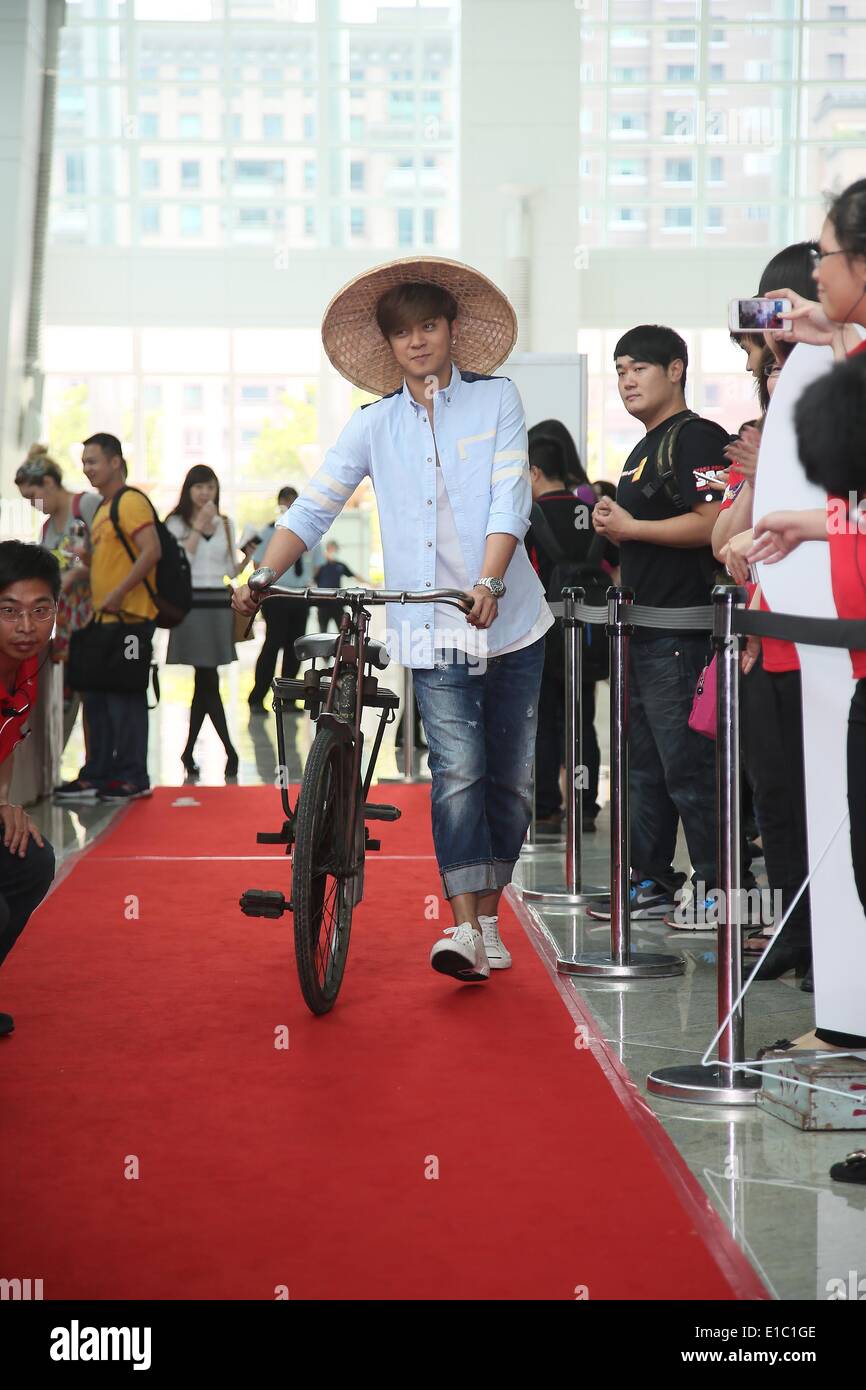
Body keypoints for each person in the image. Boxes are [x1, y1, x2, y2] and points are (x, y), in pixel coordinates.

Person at [234, 259, 550, 982]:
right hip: (430, 625)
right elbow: (316, 504)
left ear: (453, 331)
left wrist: (491, 578)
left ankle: (490, 913)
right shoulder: (372, 424)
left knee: (511, 783)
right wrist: (261, 575)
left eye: (429, 327)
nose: (417, 342)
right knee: (458, 772)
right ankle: (464, 928)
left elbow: (510, 498)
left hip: (511, 620)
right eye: (403, 333)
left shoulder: (497, 400)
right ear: (389, 344)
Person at [589, 324, 726, 926]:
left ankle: (721, 890)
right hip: (643, 630)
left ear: (676, 369)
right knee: (642, 767)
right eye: (620, 370)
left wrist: (633, 529)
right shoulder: (644, 447)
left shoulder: (698, 438)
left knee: (688, 769)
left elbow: (715, 523)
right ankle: (650, 881)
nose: (627, 381)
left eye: (639, 368)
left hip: (683, 635)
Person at [712, 243, 821, 982]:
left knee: (829, 805)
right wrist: (755, 479)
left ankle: (834, 950)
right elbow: (726, 541)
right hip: (766, 637)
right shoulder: (772, 409)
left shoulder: (840, 380)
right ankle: (795, 932)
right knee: (776, 802)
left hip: (830, 632)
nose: (773, 334)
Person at [54, 433, 161, 804]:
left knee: (127, 696)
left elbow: (152, 552)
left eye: (94, 461)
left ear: (116, 462)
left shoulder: (130, 502)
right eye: (84, 462)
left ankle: (133, 776)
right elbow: (111, 561)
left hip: (131, 620)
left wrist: (118, 592)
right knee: (98, 696)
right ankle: (98, 773)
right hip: (104, 622)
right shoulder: (103, 509)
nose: (88, 469)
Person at [524, 429, 610, 833]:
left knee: (545, 721)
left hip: (545, 632)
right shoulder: (589, 511)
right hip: (589, 635)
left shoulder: (531, 515)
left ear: (536, 471)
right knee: (583, 722)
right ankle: (585, 802)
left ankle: (545, 805)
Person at [0, 541, 60, 1036]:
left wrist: (3, 803)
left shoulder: (27, 671)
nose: (26, 627)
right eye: (10, 612)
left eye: (40, 611)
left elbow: (7, 749)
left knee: (33, 860)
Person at [15, 445, 100, 750]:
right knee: (69, 697)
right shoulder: (47, 528)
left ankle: (97, 768)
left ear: (49, 483)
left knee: (96, 697)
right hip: (66, 624)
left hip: (98, 615)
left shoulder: (87, 505)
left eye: (33, 497)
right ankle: (63, 769)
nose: (34, 505)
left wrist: (81, 570)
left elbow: (114, 556)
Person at [165, 465, 242, 779]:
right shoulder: (174, 522)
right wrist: (197, 526)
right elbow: (181, 562)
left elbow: (231, 570)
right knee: (208, 679)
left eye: (209, 487)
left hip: (218, 604)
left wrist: (249, 557)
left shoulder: (226, 523)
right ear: (188, 490)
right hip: (191, 604)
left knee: (206, 682)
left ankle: (188, 752)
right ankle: (229, 750)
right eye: (199, 487)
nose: (205, 493)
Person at [247, 486, 312, 715]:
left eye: (294, 501)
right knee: (273, 645)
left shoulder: (310, 530)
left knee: (296, 649)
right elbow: (257, 565)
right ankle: (257, 698)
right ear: (280, 504)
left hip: (300, 596)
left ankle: (289, 699)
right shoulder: (269, 531)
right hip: (276, 595)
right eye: (286, 502)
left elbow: (317, 563)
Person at [313, 540, 369, 633]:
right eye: (332, 549)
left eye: (335, 549)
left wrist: (369, 582)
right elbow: (312, 578)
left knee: (343, 629)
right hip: (323, 602)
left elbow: (353, 575)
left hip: (337, 602)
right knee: (322, 631)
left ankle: (341, 647)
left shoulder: (340, 565)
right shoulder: (320, 566)